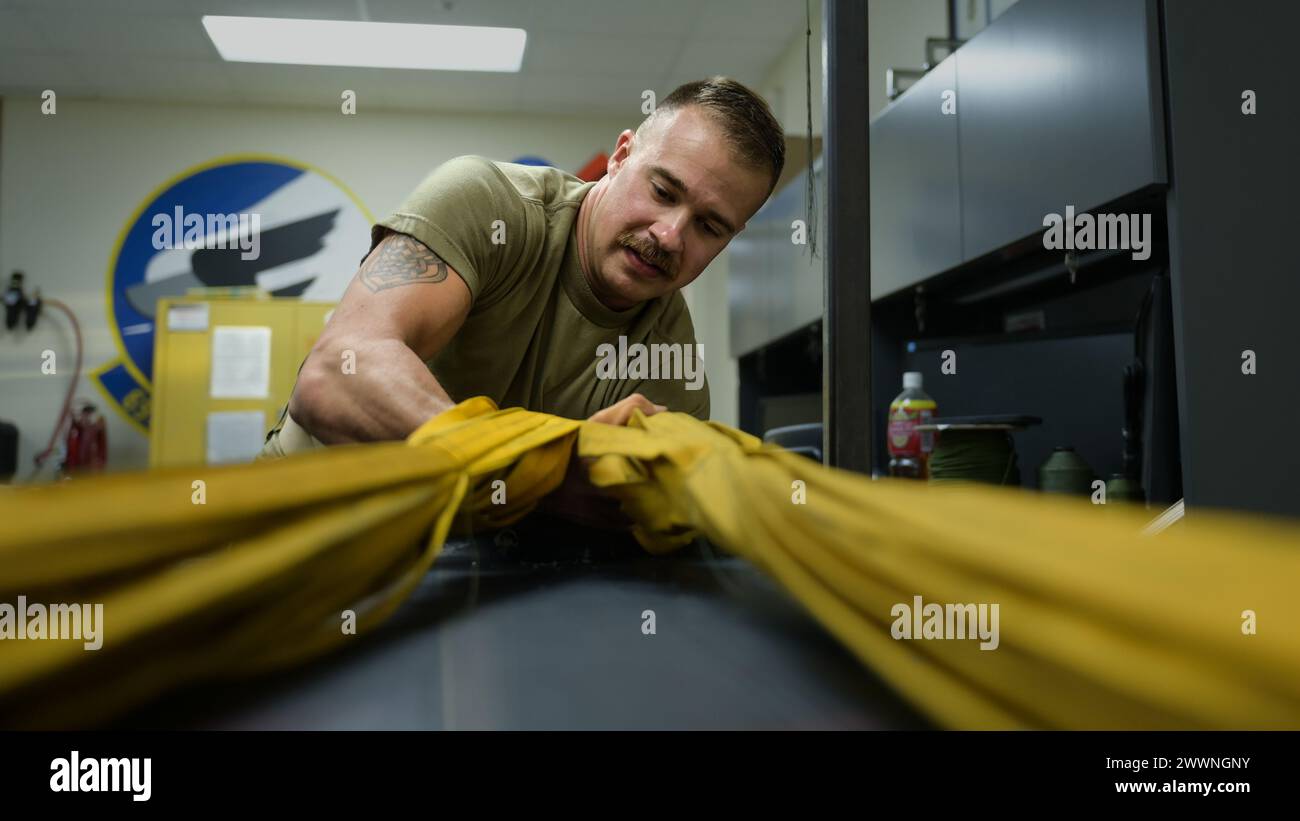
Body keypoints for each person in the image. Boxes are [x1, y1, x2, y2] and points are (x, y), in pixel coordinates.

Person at [262, 77, 785, 465]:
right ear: (621, 156)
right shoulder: (488, 204)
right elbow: (336, 377)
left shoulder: (667, 352)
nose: (670, 236)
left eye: (709, 227)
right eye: (663, 191)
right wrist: (535, 462)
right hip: (300, 520)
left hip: (454, 564)